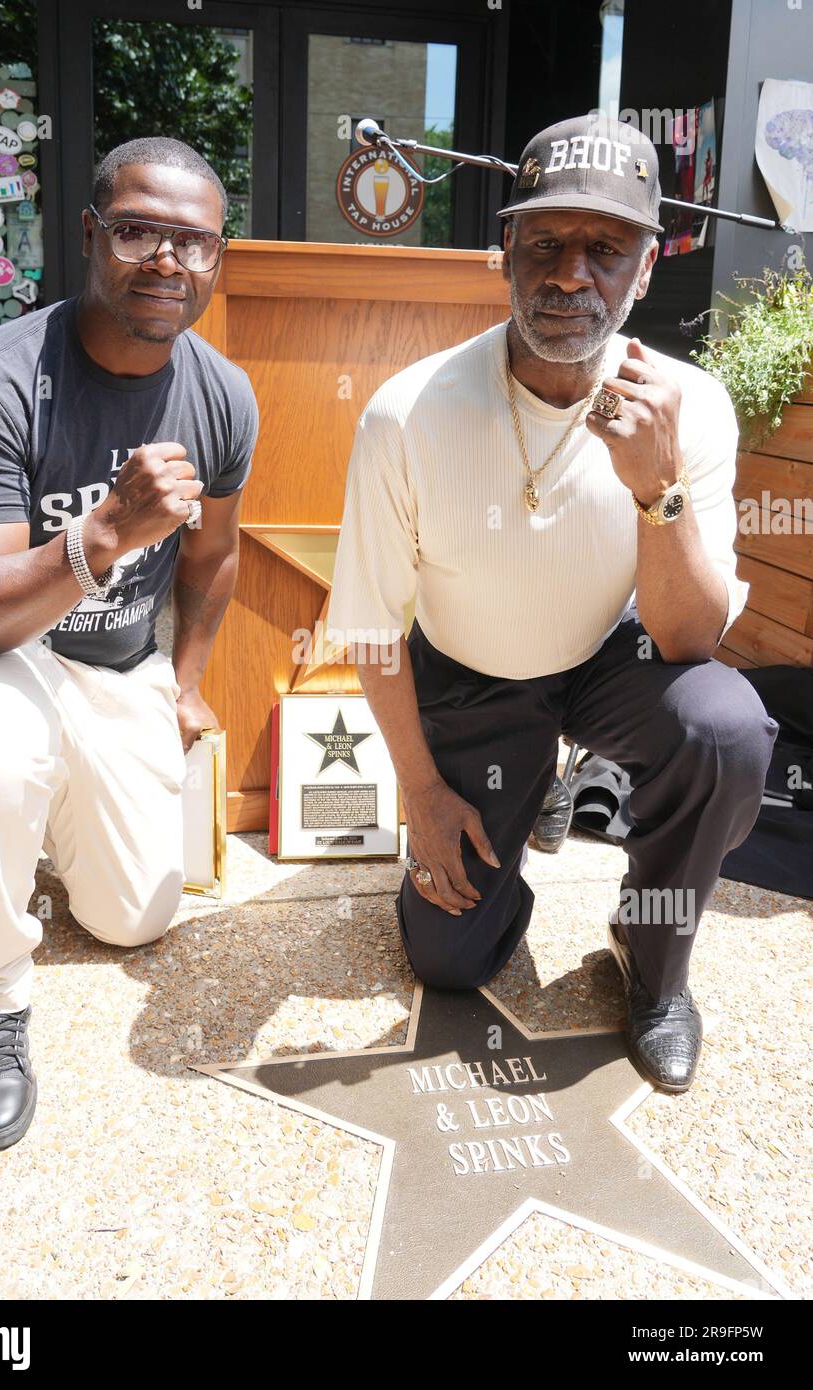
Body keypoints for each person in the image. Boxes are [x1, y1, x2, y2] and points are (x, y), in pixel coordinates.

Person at [327, 115, 778, 1096]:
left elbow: (689, 637)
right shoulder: (408, 413)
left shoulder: (688, 406)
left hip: (614, 652)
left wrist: (655, 489)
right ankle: (521, 803)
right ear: (505, 255)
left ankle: (652, 960)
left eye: (605, 249)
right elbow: (369, 624)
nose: (571, 275)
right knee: (447, 959)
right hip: (472, 666)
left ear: (646, 269)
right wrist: (421, 790)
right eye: (545, 244)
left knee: (724, 729)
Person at [0, 137, 258, 1151]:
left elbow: (214, 559)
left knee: (136, 915)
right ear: (92, 235)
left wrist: (183, 683)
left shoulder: (223, 395)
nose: (167, 261)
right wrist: (103, 533)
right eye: (140, 230)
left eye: (195, 243)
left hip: (114, 665)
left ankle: (41, 813)